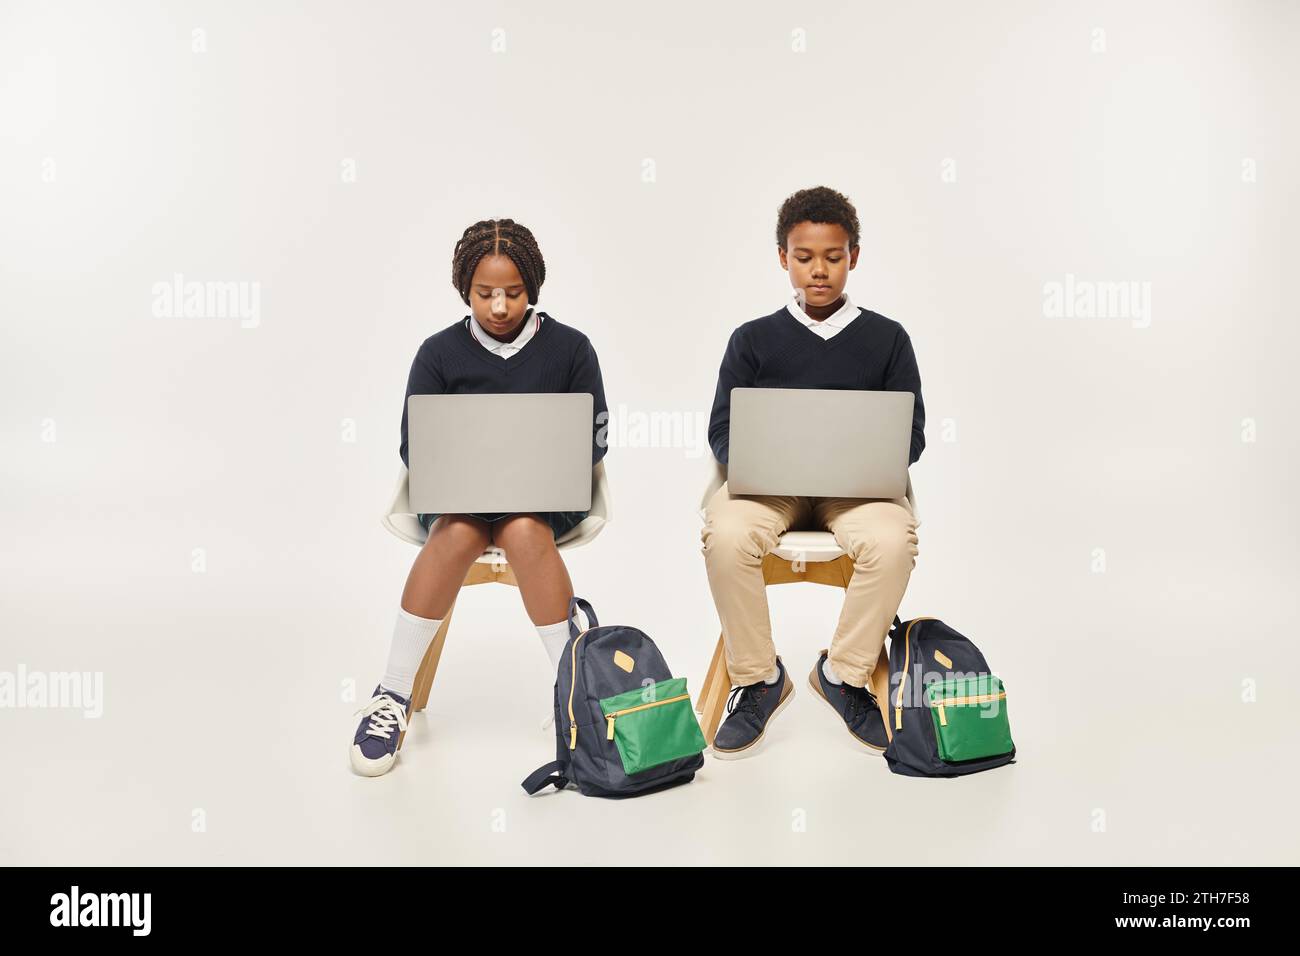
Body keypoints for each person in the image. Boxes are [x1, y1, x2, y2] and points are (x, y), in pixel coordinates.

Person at [350, 218, 608, 776]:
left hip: (543, 499)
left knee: (521, 527)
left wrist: (544, 469)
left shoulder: (570, 349)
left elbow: (595, 435)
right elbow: (413, 443)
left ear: (532, 289)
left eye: (512, 293)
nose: (497, 306)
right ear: (464, 291)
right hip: (458, 497)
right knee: (459, 529)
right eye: (483, 294)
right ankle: (392, 695)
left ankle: (576, 697)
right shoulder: (439, 353)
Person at [701, 186, 924, 759]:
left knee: (893, 542)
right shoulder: (751, 339)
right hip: (769, 487)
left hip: (855, 491)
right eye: (804, 258)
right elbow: (721, 432)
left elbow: (912, 436)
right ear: (783, 257)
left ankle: (844, 675)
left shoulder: (887, 339)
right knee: (725, 535)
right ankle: (758, 680)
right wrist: (761, 455)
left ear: (854, 256)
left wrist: (867, 453)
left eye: (833, 256)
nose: (819, 270)